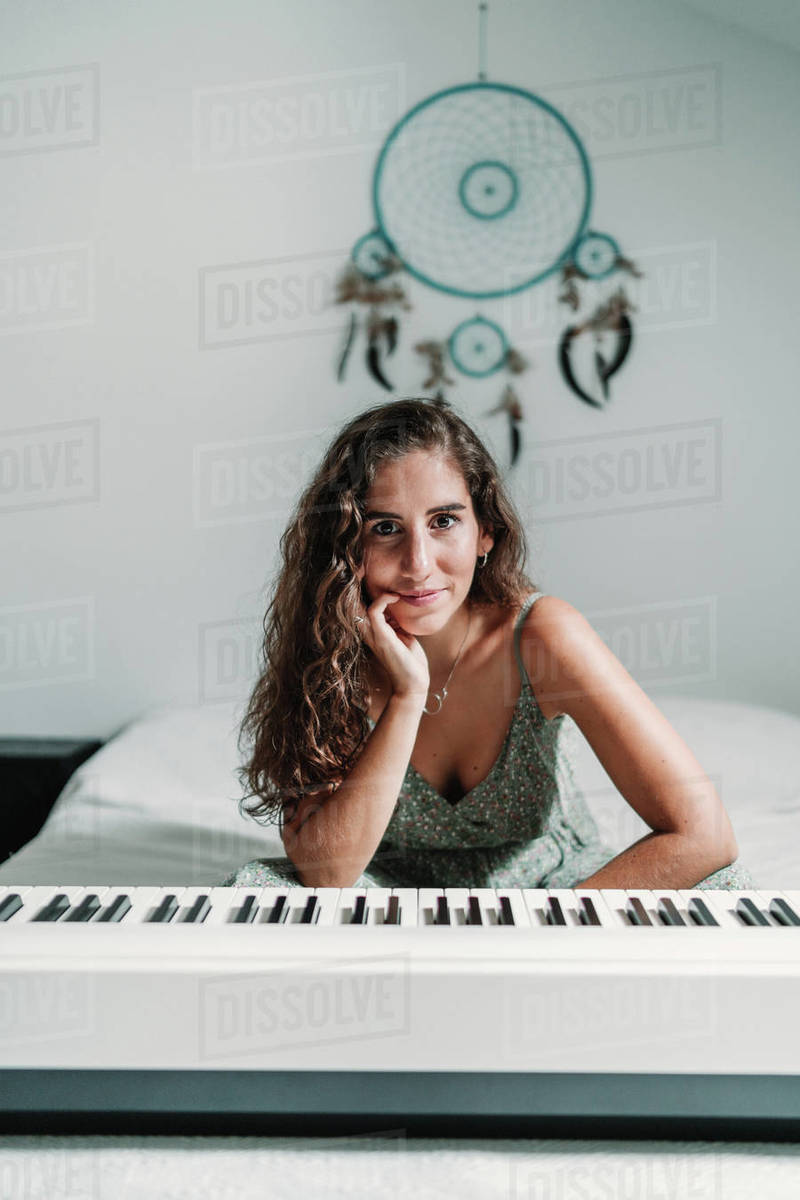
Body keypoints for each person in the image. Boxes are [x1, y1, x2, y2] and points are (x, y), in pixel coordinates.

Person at [221, 396, 754, 894]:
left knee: (722, 893)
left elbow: (705, 836)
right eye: (385, 528)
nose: (419, 564)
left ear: (486, 534)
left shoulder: (542, 635)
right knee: (259, 897)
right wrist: (407, 696)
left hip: (555, 894)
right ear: (345, 546)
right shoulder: (329, 649)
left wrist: (536, 932)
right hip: (387, 897)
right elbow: (328, 872)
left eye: (444, 521)